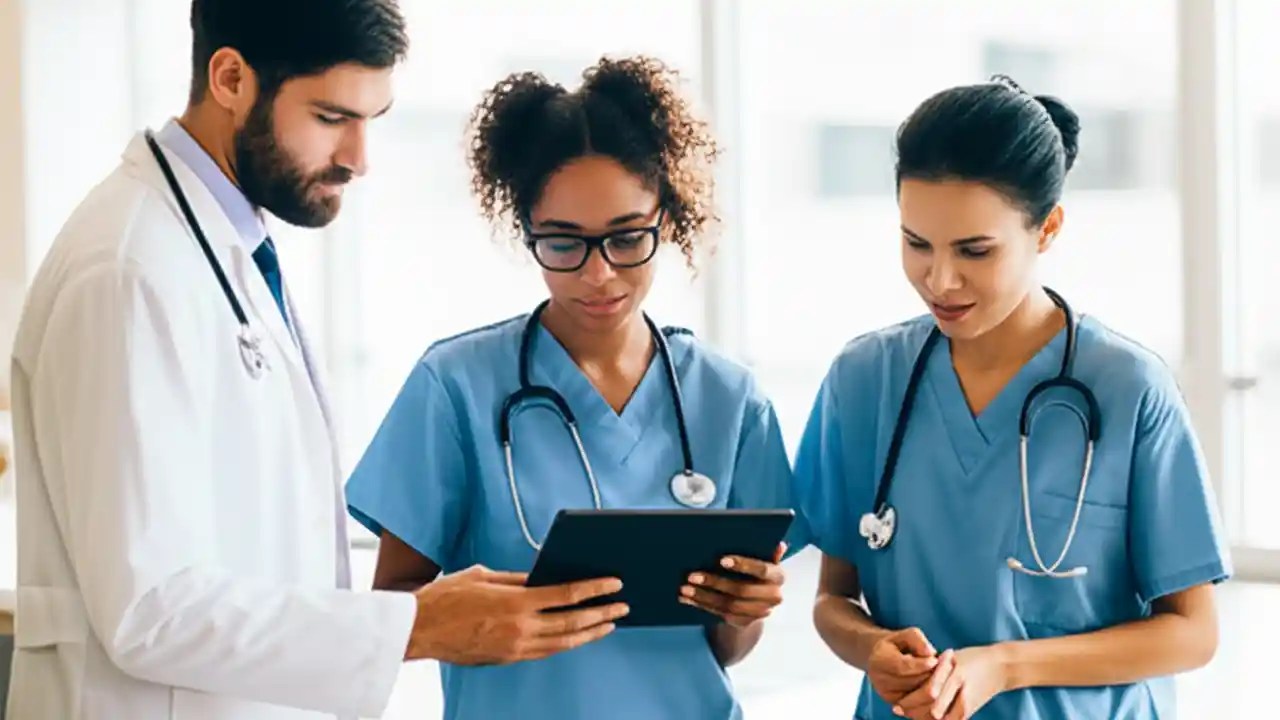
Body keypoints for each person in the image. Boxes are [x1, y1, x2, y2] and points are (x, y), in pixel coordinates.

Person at [6, 2, 456, 718]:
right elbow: (148, 608)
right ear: (230, 77)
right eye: (333, 117)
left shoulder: (220, 246)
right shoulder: (126, 271)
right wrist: (417, 623)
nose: (359, 159)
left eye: (374, 120)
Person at [345, 55, 810, 720]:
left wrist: (745, 611)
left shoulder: (730, 402)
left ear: (668, 220)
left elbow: (726, 648)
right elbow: (393, 619)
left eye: (627, 239)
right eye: (564, 244)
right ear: (525, 228)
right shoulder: (455, 388)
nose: (598, 275)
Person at [794, 76, 1231, 720]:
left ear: (1048, 228)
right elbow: (834, 602)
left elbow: (1193, 632)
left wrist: (1005, 665)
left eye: (975, 250)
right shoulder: (864, 380)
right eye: (916, 243)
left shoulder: (1128, 388)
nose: (939, 279)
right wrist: (874, 648)